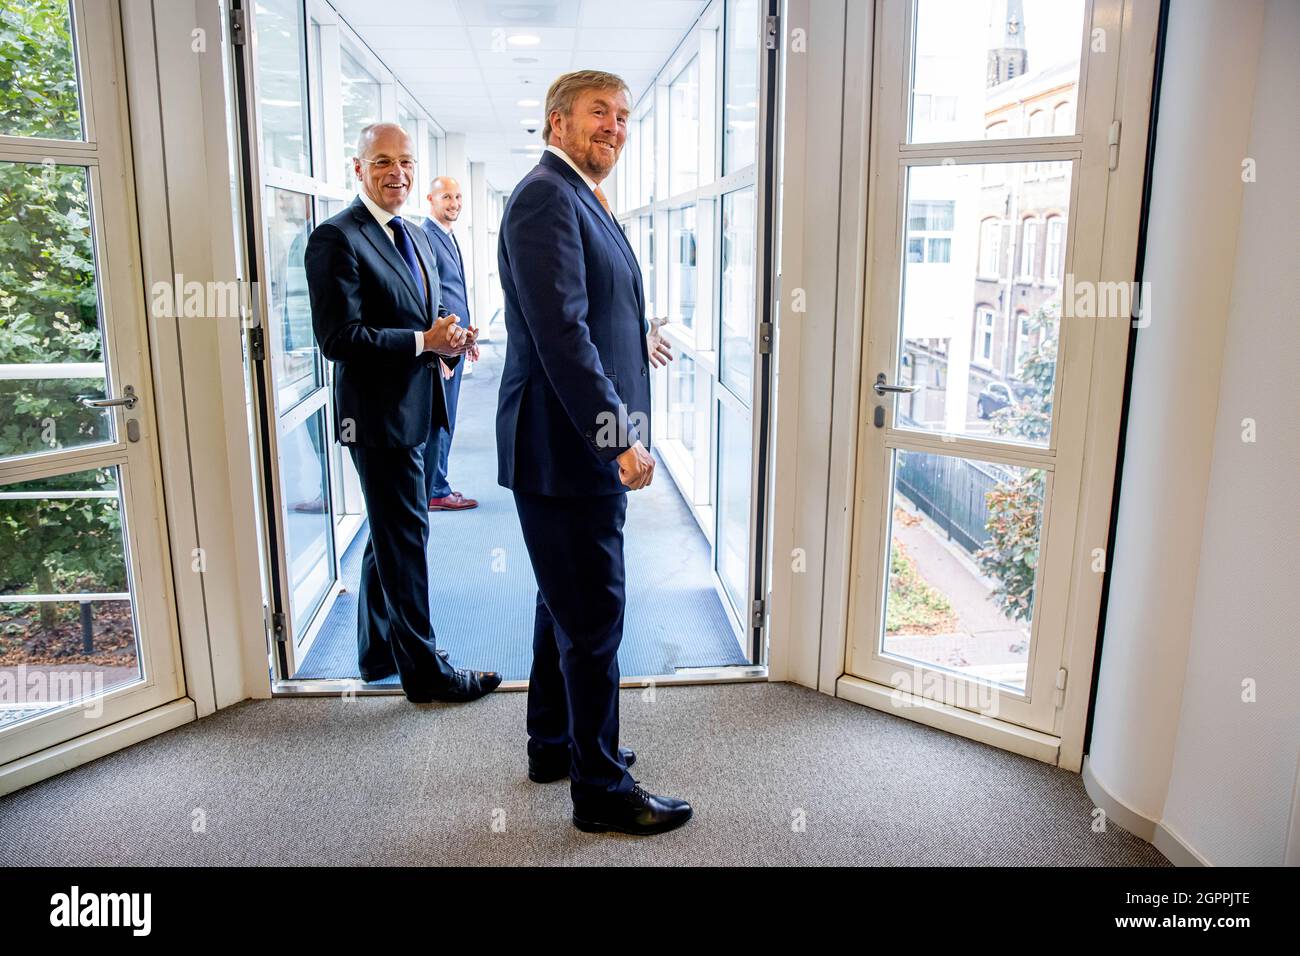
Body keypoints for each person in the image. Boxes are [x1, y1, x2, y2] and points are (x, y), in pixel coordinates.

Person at [496, 70, 688, 835]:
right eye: (598, 114)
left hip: (561, 446)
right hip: (570, 450)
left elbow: (582, 310)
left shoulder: (575, 194)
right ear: (556, 122)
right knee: (595, 617)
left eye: (622, 116)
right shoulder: (548, 195)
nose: (614, 126)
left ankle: (555, 746)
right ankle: (600, 792)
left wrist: (633, 335)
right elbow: (560, 336)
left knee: (561, 607)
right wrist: (619, 441)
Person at [305, 121, 501, 704]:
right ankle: (425, 674)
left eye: (406, 162)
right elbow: (340, 338)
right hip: (376, 416)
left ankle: (376, 653)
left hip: (416, 404)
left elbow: (425, 309)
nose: (398, 173)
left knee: (387, 535)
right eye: (384, 161)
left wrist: (450, 336)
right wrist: (422, 344)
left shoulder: (410, 234)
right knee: (406, 535)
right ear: (358, 168)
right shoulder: (336, 237)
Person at [420, 176, 478, 512]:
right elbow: (430, 298)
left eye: (457, 196)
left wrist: (467, 336)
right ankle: (436, 489)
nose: (454, 203)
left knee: (448, 416)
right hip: (444, 347)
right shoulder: (427, 237)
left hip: (455, 342)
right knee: (441, 419)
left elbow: (455, 292)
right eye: (446, 197)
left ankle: (436, 484)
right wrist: (442, 347)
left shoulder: (447, 236)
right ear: (430, 198)